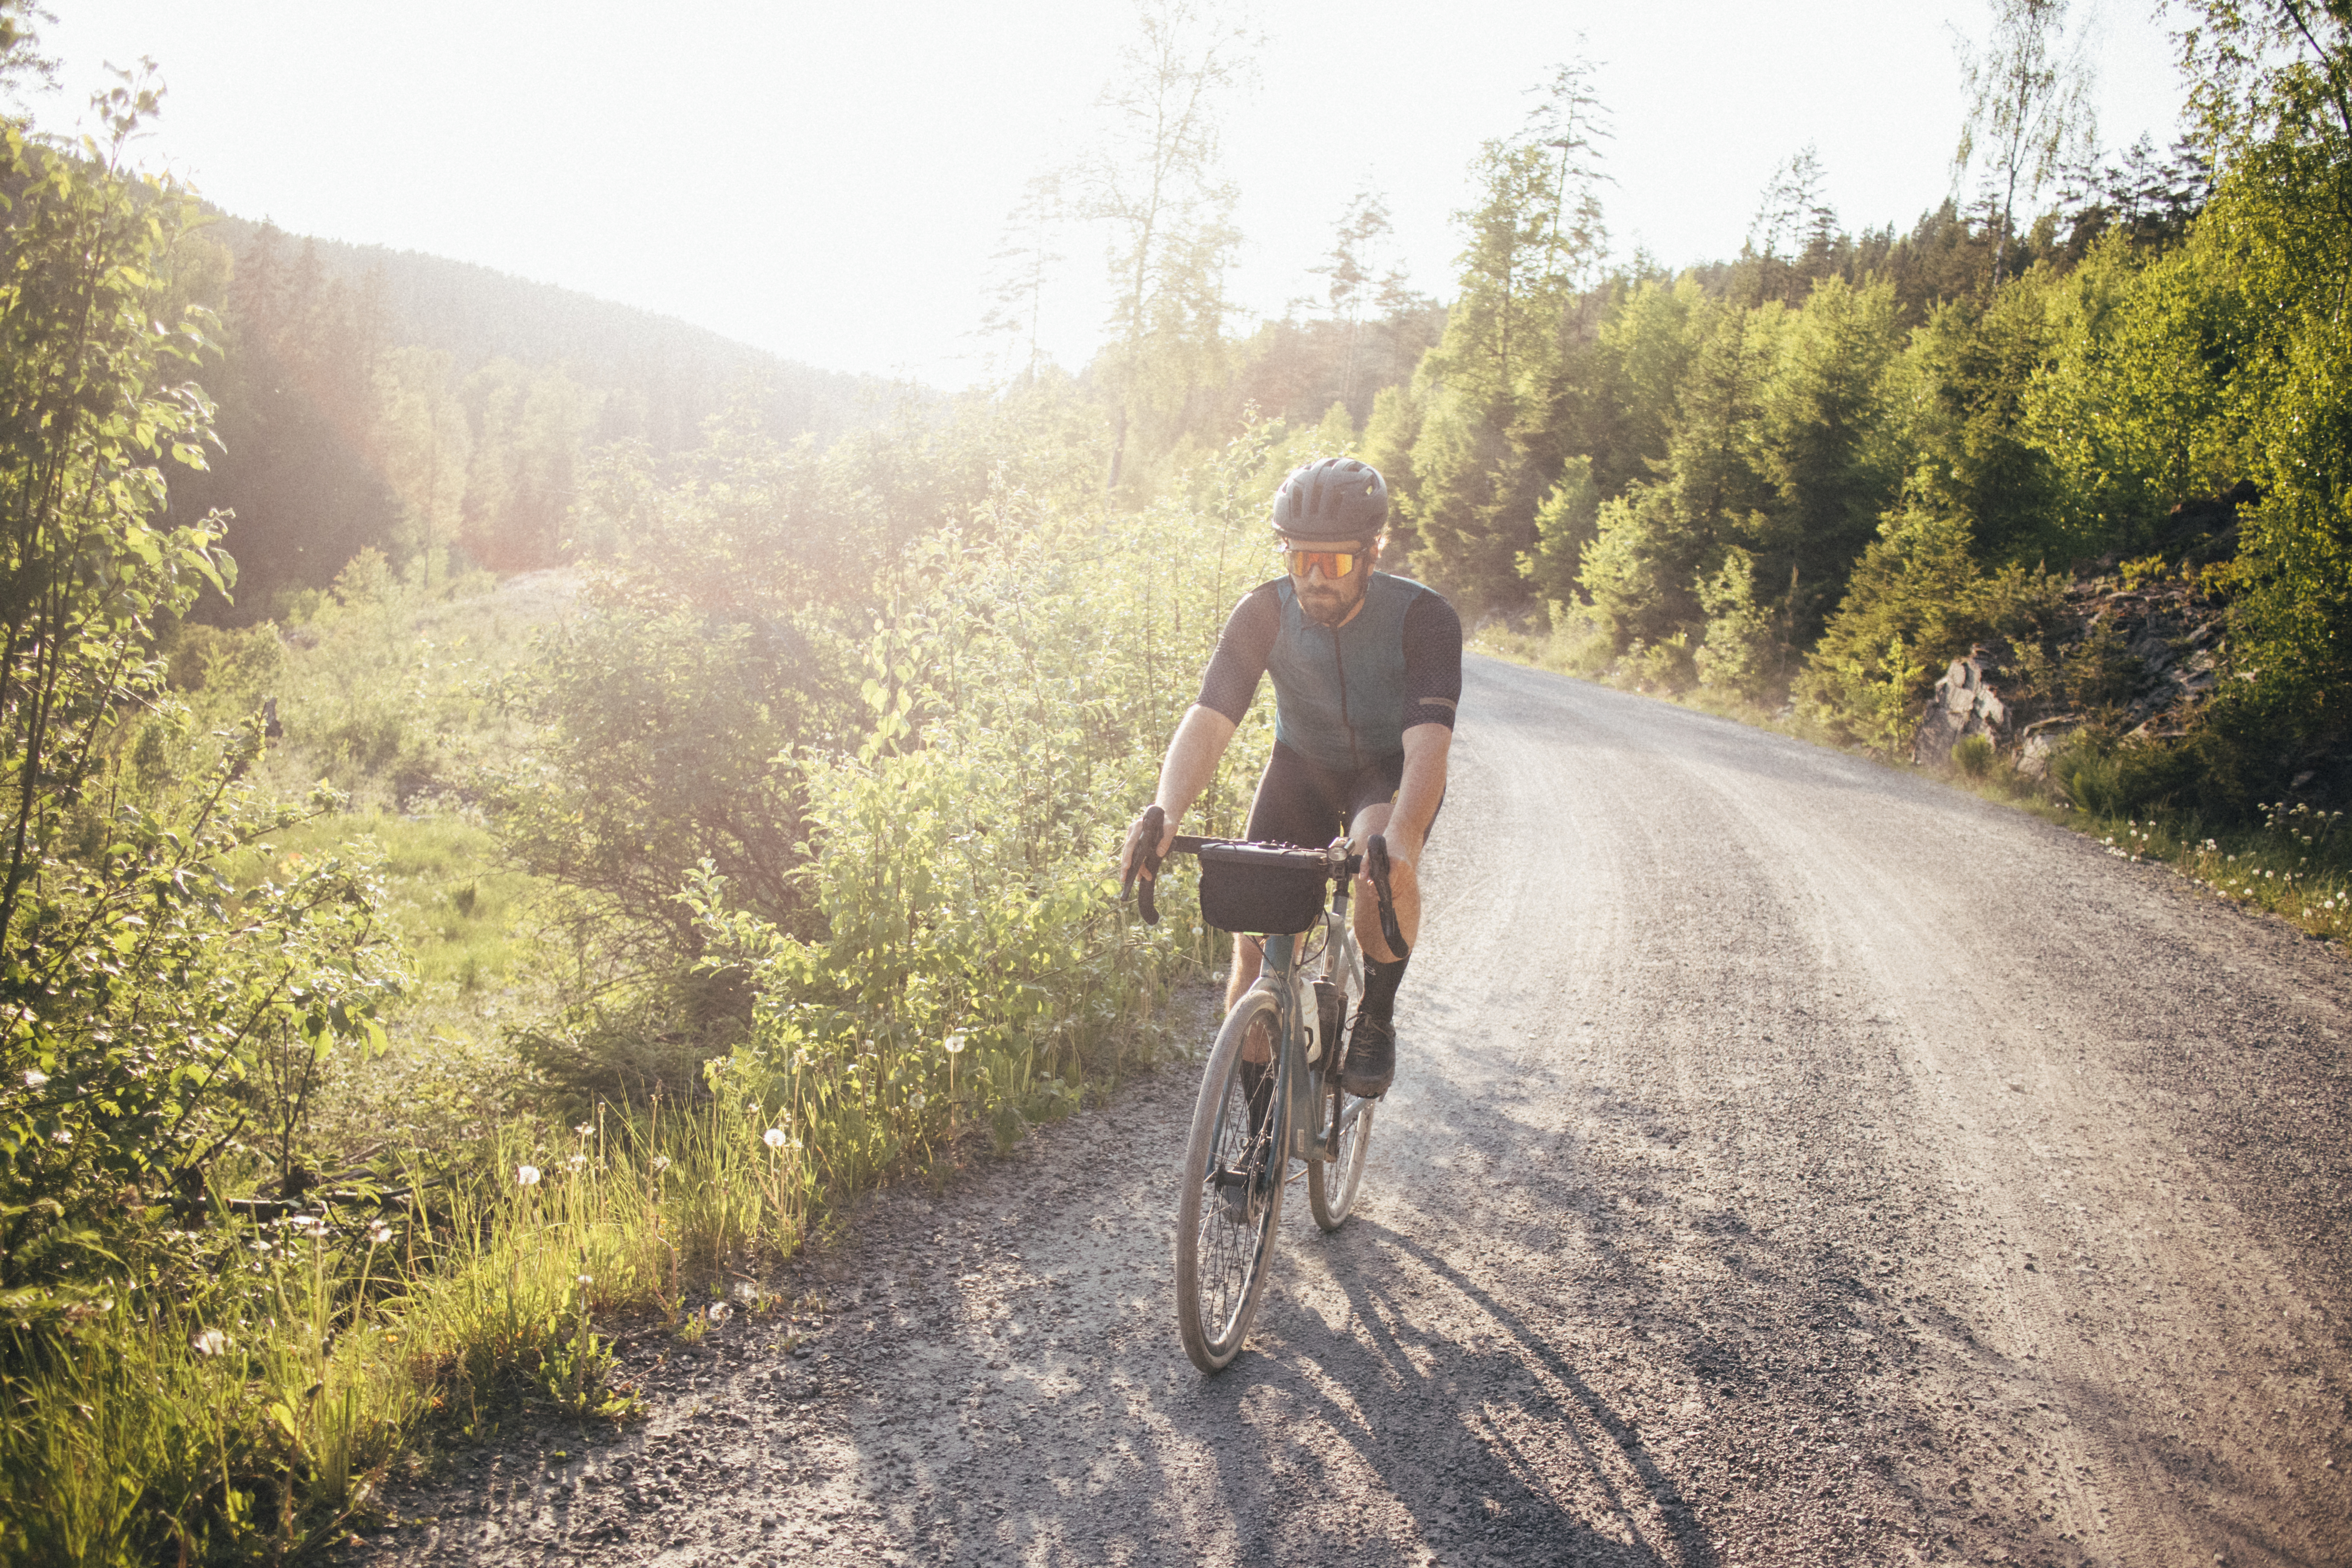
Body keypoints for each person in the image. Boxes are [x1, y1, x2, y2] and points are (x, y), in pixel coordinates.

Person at [1120, 456, 1461, 1099]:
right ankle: (1250, 1157)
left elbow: (1427, 747)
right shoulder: (1263, 613)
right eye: (1299, 558)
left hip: (1383, 772)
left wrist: (1404, 849)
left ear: (1371, 553)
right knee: (1254, 957)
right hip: (1300, 767)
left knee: (1380, 857)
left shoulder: (1424, 618)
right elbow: (1211, 719)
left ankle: (1377, 1016)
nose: (1313, 578)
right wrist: (1165, 810)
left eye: (1331, 563)